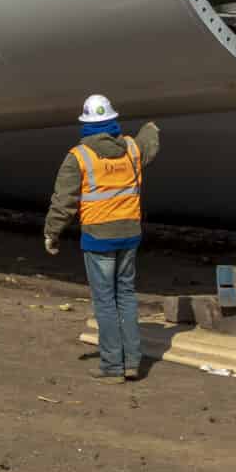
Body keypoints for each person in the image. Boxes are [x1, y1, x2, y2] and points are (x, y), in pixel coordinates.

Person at [43, 94, 162, 381]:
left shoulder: (79, 157)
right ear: (112, 121)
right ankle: (133, 362)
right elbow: (150, 144)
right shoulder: (132, 149)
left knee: (106, 302)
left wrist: (52, 233)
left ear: (85, 124)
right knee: (127, 296)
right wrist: (152, 126)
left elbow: (64, 201)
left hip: (99, 238)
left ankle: (112, 366)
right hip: (130, 235)